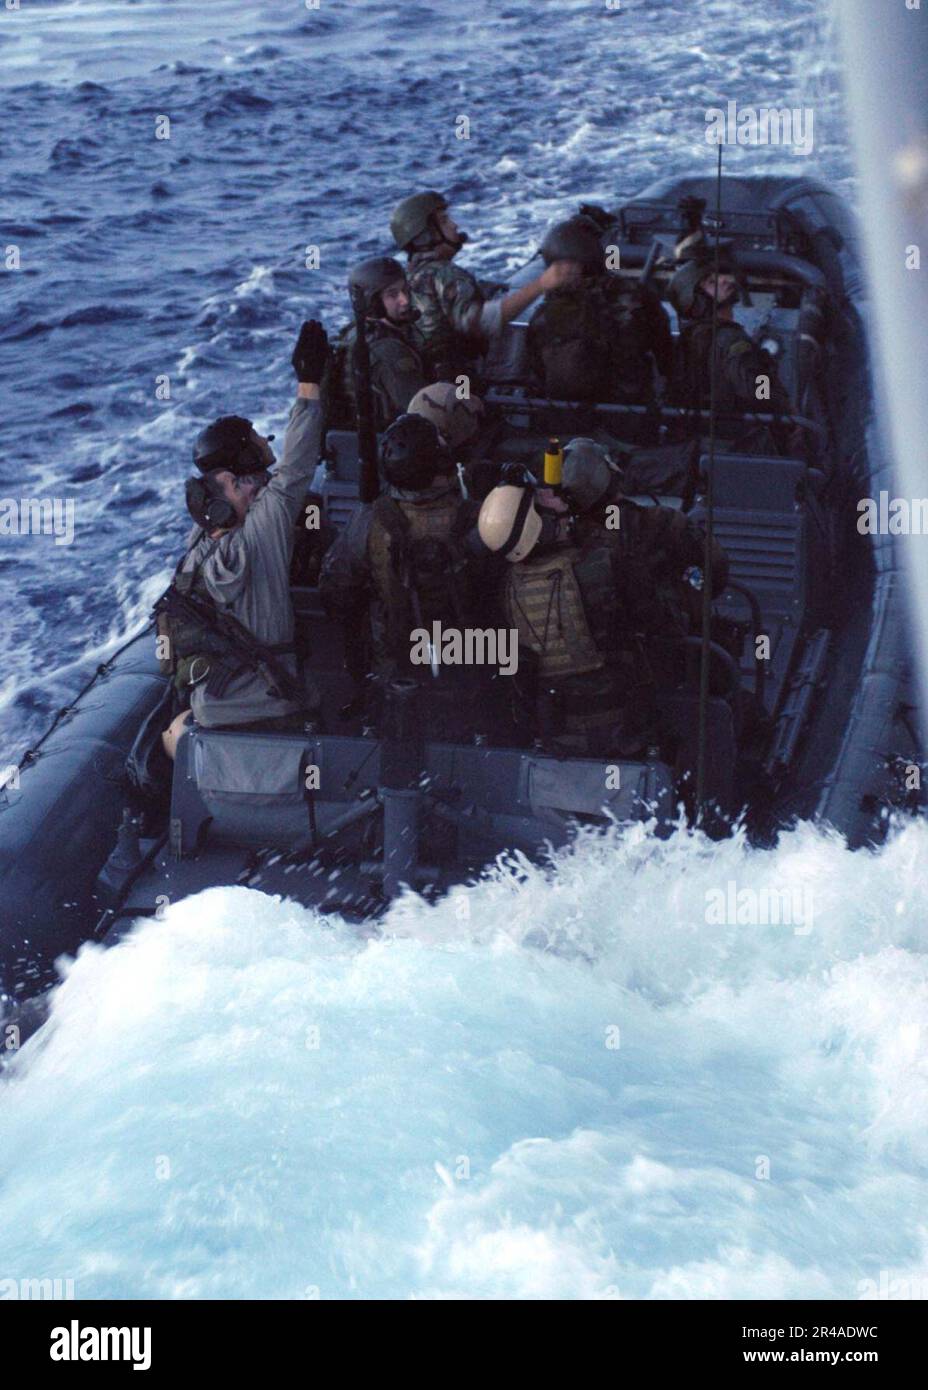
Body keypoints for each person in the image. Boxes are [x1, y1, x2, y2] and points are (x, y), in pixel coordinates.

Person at [159, 321, 328, 760]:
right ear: (232, 480)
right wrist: (309, 385)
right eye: (254, 478)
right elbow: (297, 465)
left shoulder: (198, 545)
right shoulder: (262, 529)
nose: (263, 484)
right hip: (274, 711)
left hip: (212, 716)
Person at [476, 481, 656, 755]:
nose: (551, 494)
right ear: (542, 526)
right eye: (542, 501)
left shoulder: (503, 585)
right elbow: (656, 619)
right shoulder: (604, 563)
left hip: (551, 738)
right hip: (620, 731)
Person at [319, 413, 477, 692]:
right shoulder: (475, 514)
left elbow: (337, 587)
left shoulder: (372, 517)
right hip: (470, 656)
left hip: (393, 663)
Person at [390, 190, 579, 382]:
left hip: (428, 384)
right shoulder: (447, 276)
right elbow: (482, 323)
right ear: (426, 235)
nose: (454, 226)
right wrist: (542, 283)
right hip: (460, 386)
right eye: (445, 221)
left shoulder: (407, 278)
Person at [560, 436, 729, 634]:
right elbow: (716, 568)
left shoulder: (562, 535)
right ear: (612, 474)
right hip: (668, 644)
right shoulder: (665, 521)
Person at [527, 215, 673, 402]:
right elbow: (664, 349)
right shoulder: (636, 296)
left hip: (567, 413)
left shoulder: (544, 314)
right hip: (628, 410)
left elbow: (537, 368)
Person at [668, 255, 793, 436]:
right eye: (712, 282)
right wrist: (782, 409)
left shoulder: (690, 338)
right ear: (699, 300)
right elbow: (758, 394)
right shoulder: (732, 339)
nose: (724, 280)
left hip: (701, 438)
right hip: (739, 440)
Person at [328, 256, 428, 431]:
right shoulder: (388, 350)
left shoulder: (353, 333)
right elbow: (424, 412)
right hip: (393, 443)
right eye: (393, 294)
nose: (404, 300)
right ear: (373, 302)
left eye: (405, 290)